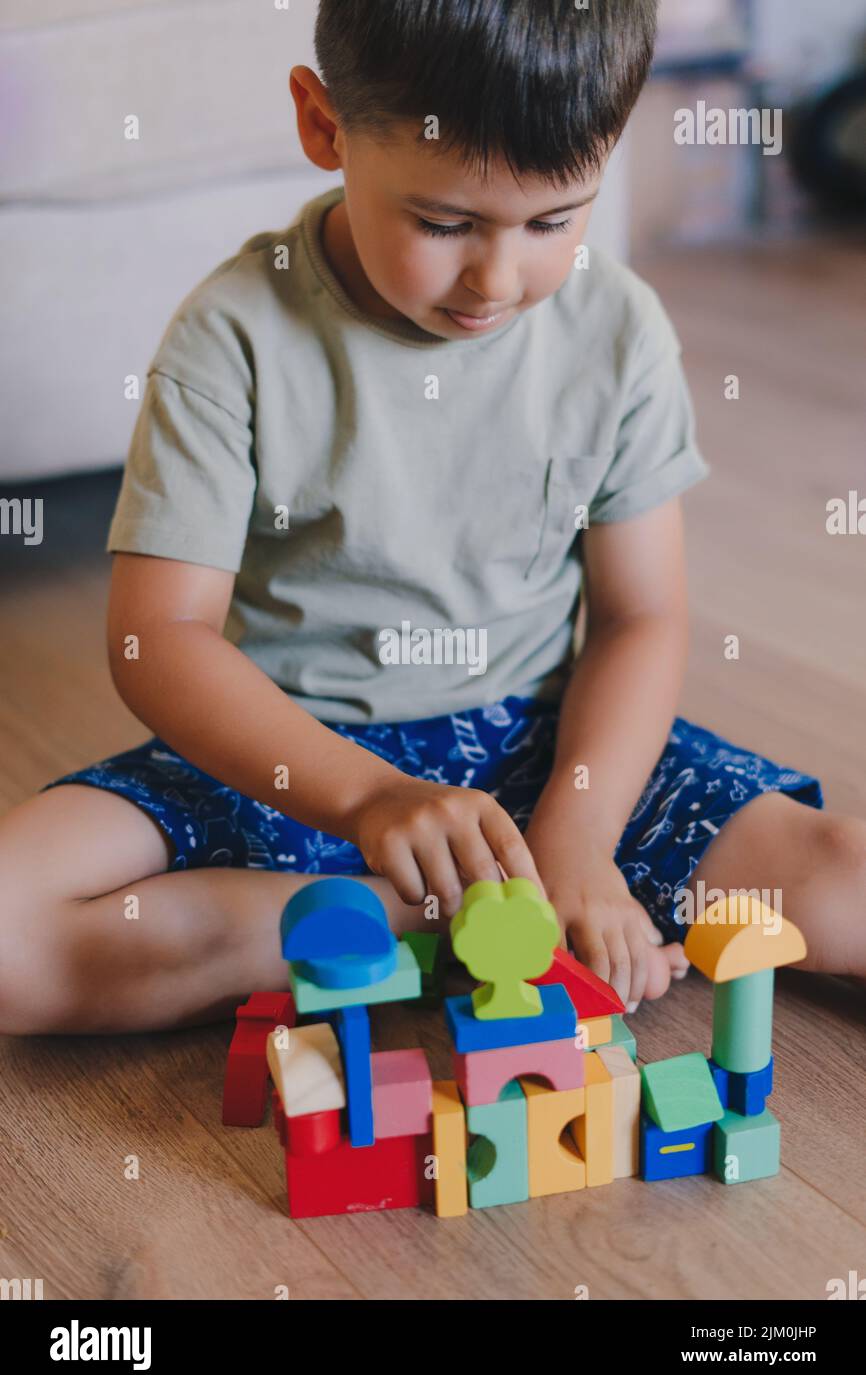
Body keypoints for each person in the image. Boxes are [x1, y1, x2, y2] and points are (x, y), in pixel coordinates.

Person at [2, 1, 862, 1037]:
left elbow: (640, 619)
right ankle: (411, 919)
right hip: (295, 764)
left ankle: (504, 903)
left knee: (838, 876)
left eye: (554, 220)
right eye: (443, 223)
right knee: (10, 932)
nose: (497, 280)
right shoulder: (232, 334)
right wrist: (369, 802)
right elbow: (158, 640)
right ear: (322, 126)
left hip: (549, 755)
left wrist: (578, 837)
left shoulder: (616, 327)